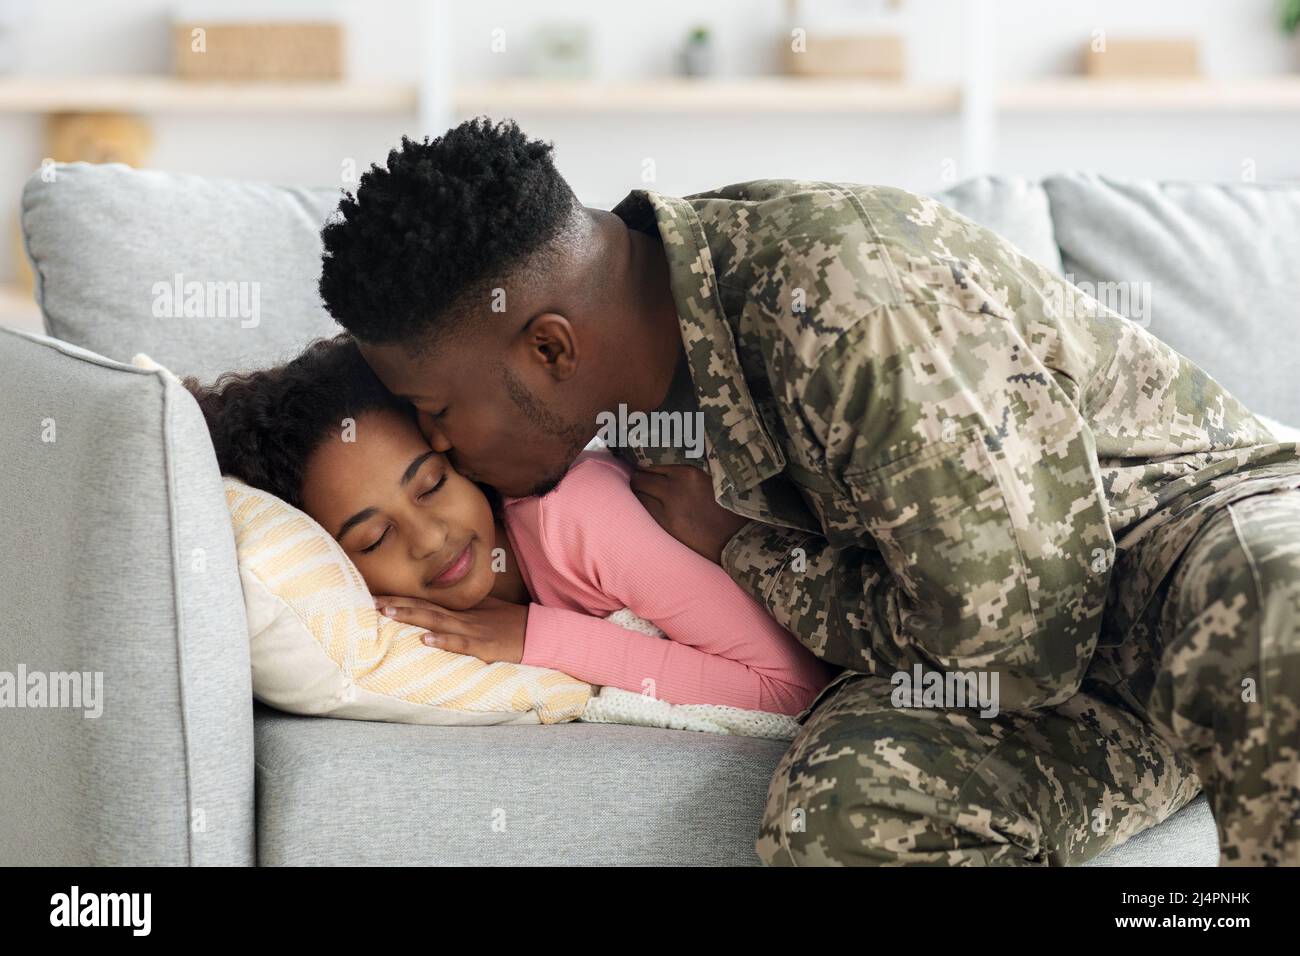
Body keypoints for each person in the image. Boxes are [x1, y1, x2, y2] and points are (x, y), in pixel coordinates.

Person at [317, 117, 1300, 866]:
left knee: (1277, 608)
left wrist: (749, 549)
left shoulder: (840, 302)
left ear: (546, 347)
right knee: (845, 814)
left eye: (434, 409)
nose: (436, 441)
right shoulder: (629, 383)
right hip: (1057, 687)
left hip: (1178, 540)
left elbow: (1011, 650)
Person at [184, 335, 835, 716]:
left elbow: (792, 688)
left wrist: (536, 635)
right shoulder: (399, 618)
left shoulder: (577, 516)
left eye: (432, 484)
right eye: (374, 538)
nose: (431, 538)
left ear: (462, 460)